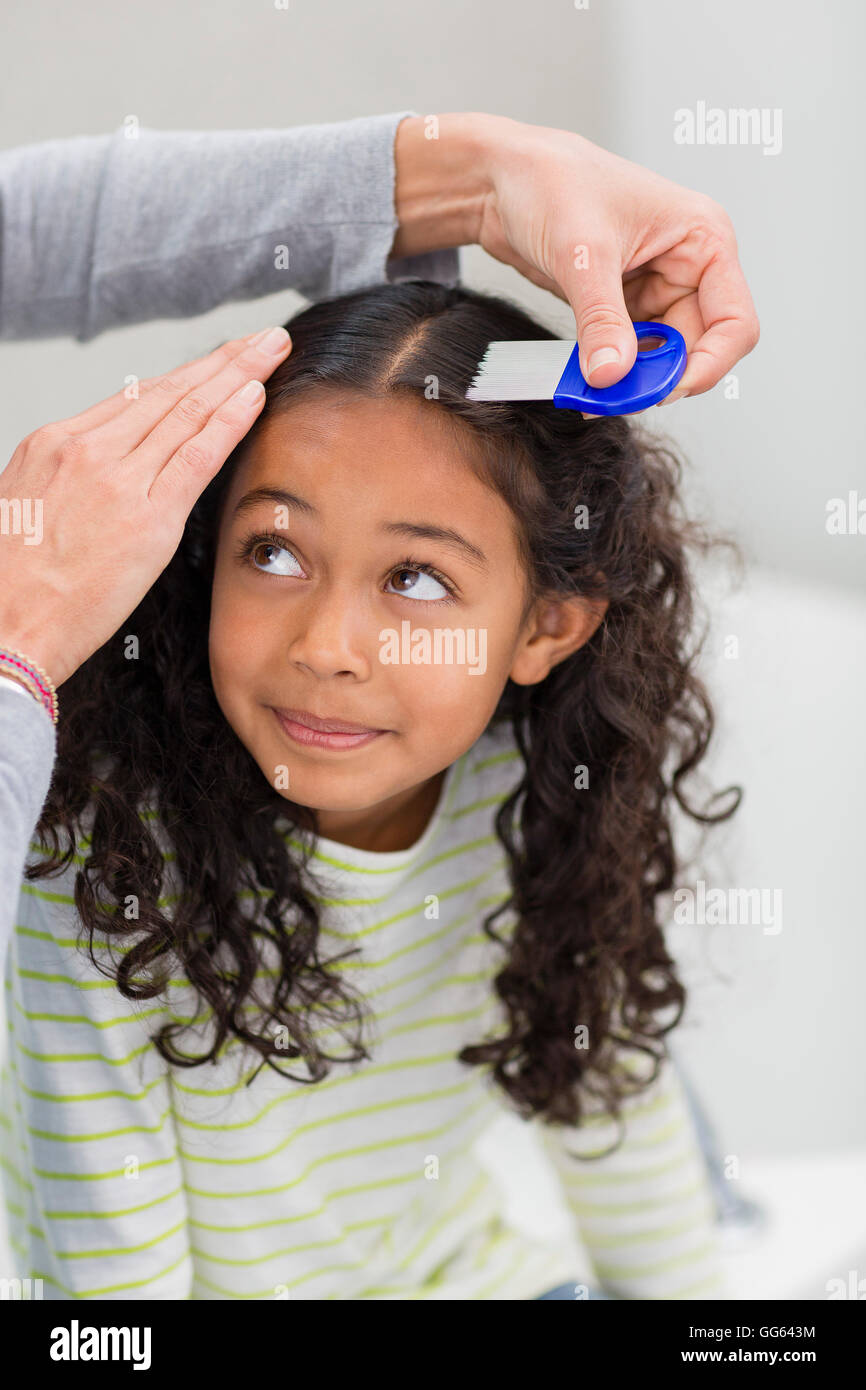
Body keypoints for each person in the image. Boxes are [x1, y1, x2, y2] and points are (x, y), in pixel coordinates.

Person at [1, 280, 739, 1299]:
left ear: (543, 628)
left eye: (415, 578)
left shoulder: (530, 796)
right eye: (274, 551)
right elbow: (110, 1284)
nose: (325, 648)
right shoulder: (101, 863)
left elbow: (609, 1106)